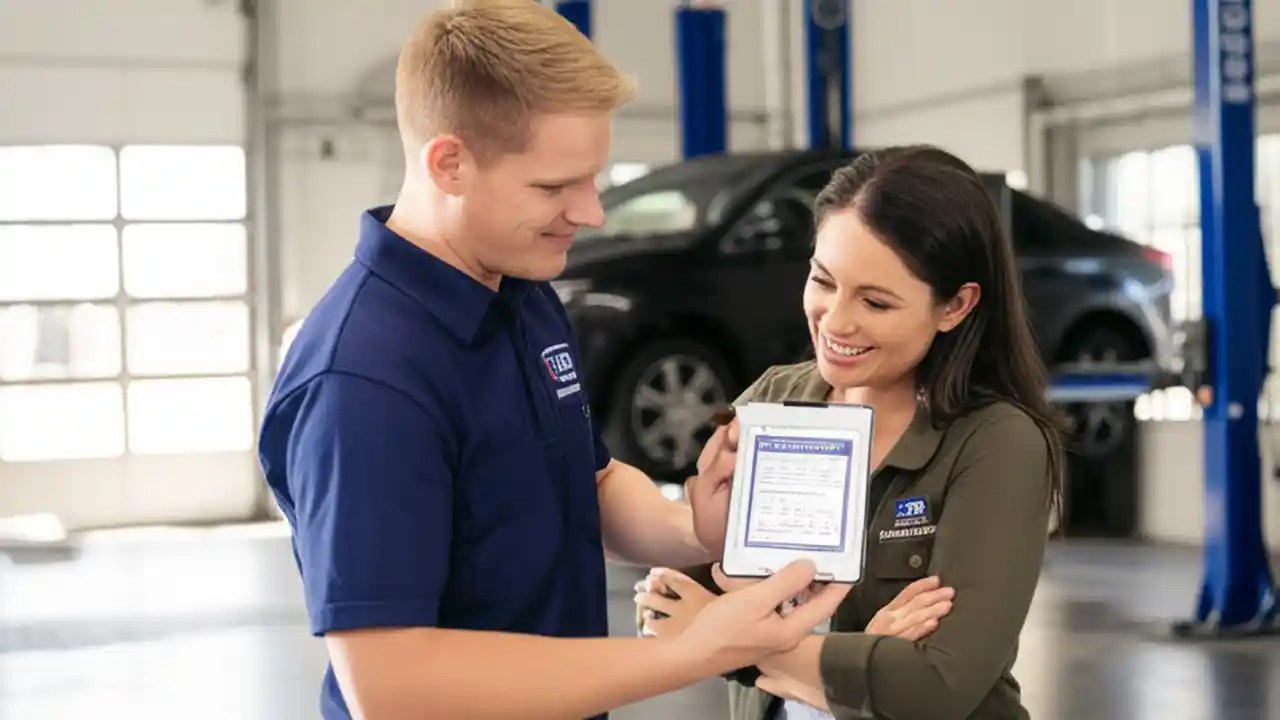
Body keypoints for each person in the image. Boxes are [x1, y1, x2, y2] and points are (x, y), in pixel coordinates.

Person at [255, 1, 852, 718]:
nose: (592, 212)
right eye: (554, 186)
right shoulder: (364, 381)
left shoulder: (521, 289)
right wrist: (688, 654)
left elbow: (588, 482)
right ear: (449, 163)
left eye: (592, 178)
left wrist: (696, 527)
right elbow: (390, 683)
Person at [635, 146, 1066, 720]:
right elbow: (667, 612)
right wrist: (863, 660)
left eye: (876, 301)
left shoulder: (996, 444)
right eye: (823, 280)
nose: (836, 321)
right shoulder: (771, 401)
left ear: (955, 306)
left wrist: (733, 643)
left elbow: (935, 688)